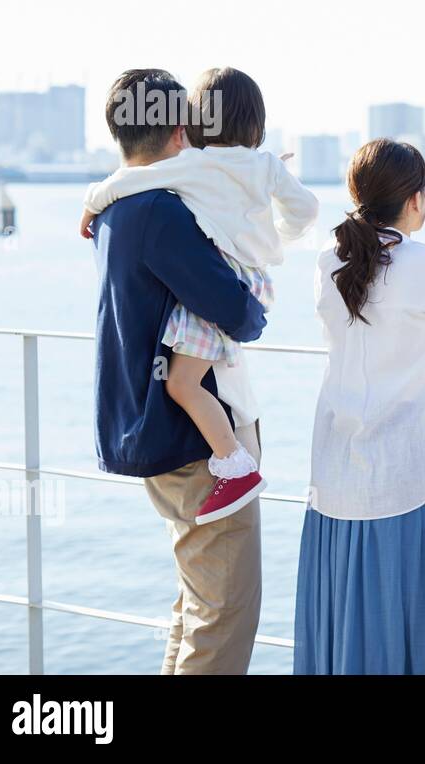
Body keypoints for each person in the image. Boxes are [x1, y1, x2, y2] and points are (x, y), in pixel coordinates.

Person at [89, 68, 268, 674]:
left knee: (195, 607)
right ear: (178, 132)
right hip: (197, 447)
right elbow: (234, 310)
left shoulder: (115, 208)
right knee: (224, 615)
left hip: (156, 433)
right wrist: (256, 307)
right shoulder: (162, 212)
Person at [81, 67, 318, 524]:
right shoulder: (262, 167)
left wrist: (92, 203)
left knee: (180, 382)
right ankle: (234, 461)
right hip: (256, 280)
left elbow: (125, 181)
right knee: (223, 590)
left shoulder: (180, 177)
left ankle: (233, 463)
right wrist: (277, 237)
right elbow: (245, 313)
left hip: (155, 415)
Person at [295, 138, 425, 674]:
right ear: (416, 201)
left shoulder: (327, 260)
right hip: (407, 467)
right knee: (410, 609)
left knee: (343, 607)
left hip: (335, 468)